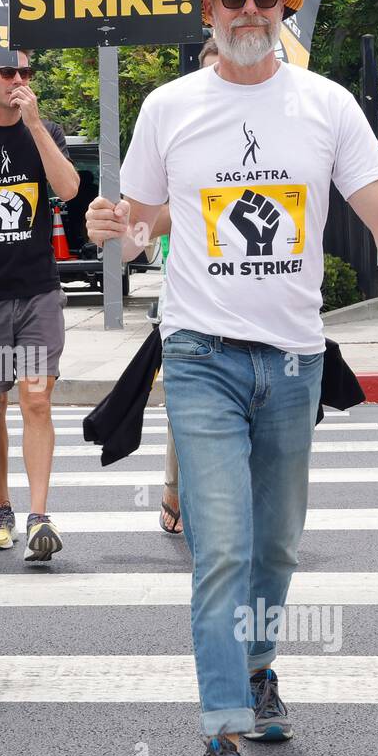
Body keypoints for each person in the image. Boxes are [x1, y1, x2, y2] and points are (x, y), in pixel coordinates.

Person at [87, 0, 378, 756]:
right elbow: (144, 224)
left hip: (294, 360)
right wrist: (112, 226)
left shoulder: (326, 105)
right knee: (222, 547)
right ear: (207, 7)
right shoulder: (169, 108)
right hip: (199, 356)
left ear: (285, 7)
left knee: (275, 545)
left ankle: (261, 666)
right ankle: (219, 735)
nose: (247, 10)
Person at [0, 51, 80, 562]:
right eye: (8, 72)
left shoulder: (44, 130)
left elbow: (70, 189)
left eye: (26, 74)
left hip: (37, 292)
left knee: (36, 399)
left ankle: (39, 515)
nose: (18, 81)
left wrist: (34, 124)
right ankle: (0, 507)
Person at [157, 35, 219, 536]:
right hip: (187, 302)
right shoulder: (179, 123)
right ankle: (176, 489)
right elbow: (146, 214)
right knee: (187, 408)